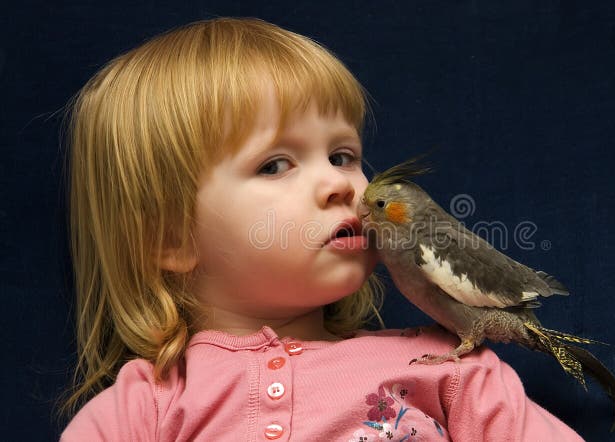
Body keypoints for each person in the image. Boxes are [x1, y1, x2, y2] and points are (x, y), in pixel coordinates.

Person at [59, 17, 585, 441]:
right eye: (275, 164)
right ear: (171, 239)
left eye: (342, 156)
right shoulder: (142, 407)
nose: (340, 184)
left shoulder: (451, 370)